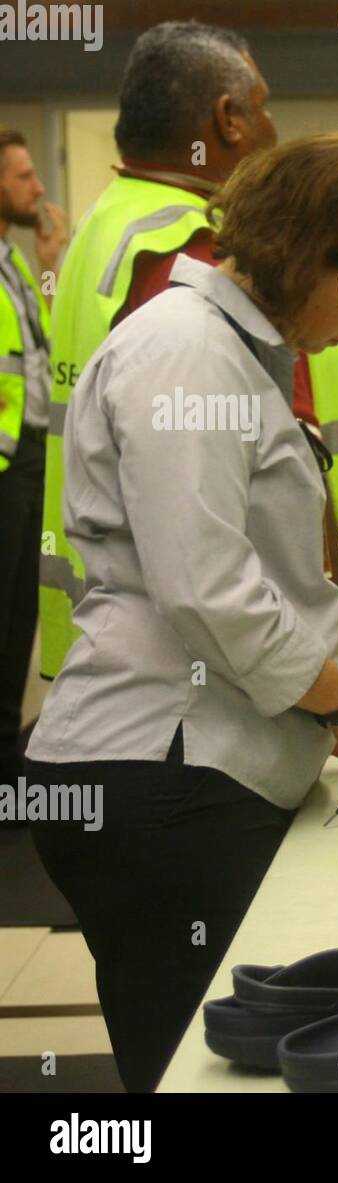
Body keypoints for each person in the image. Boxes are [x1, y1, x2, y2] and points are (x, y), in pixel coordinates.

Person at [25, 132, 338, 1093]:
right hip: (161, 773)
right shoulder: (187, 354)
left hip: (188, 763)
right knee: (201, 1071)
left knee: (201, 1059)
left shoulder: (233, 352)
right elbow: (208, 587)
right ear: (310, 254)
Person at [39, 19, 338, 688]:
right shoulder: (194, 247)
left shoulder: (110, 220)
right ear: (230, 119)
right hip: (193, 671)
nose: (273, 128)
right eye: (264, 105)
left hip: (138, 637)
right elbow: (283, 452)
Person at [0, 128, 65, 792]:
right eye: (22, 177)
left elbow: (40, 344)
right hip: (4, 462)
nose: (38, 188)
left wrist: (49, 258)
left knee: (20, 621)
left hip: (27, 457)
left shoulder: (14, 262)